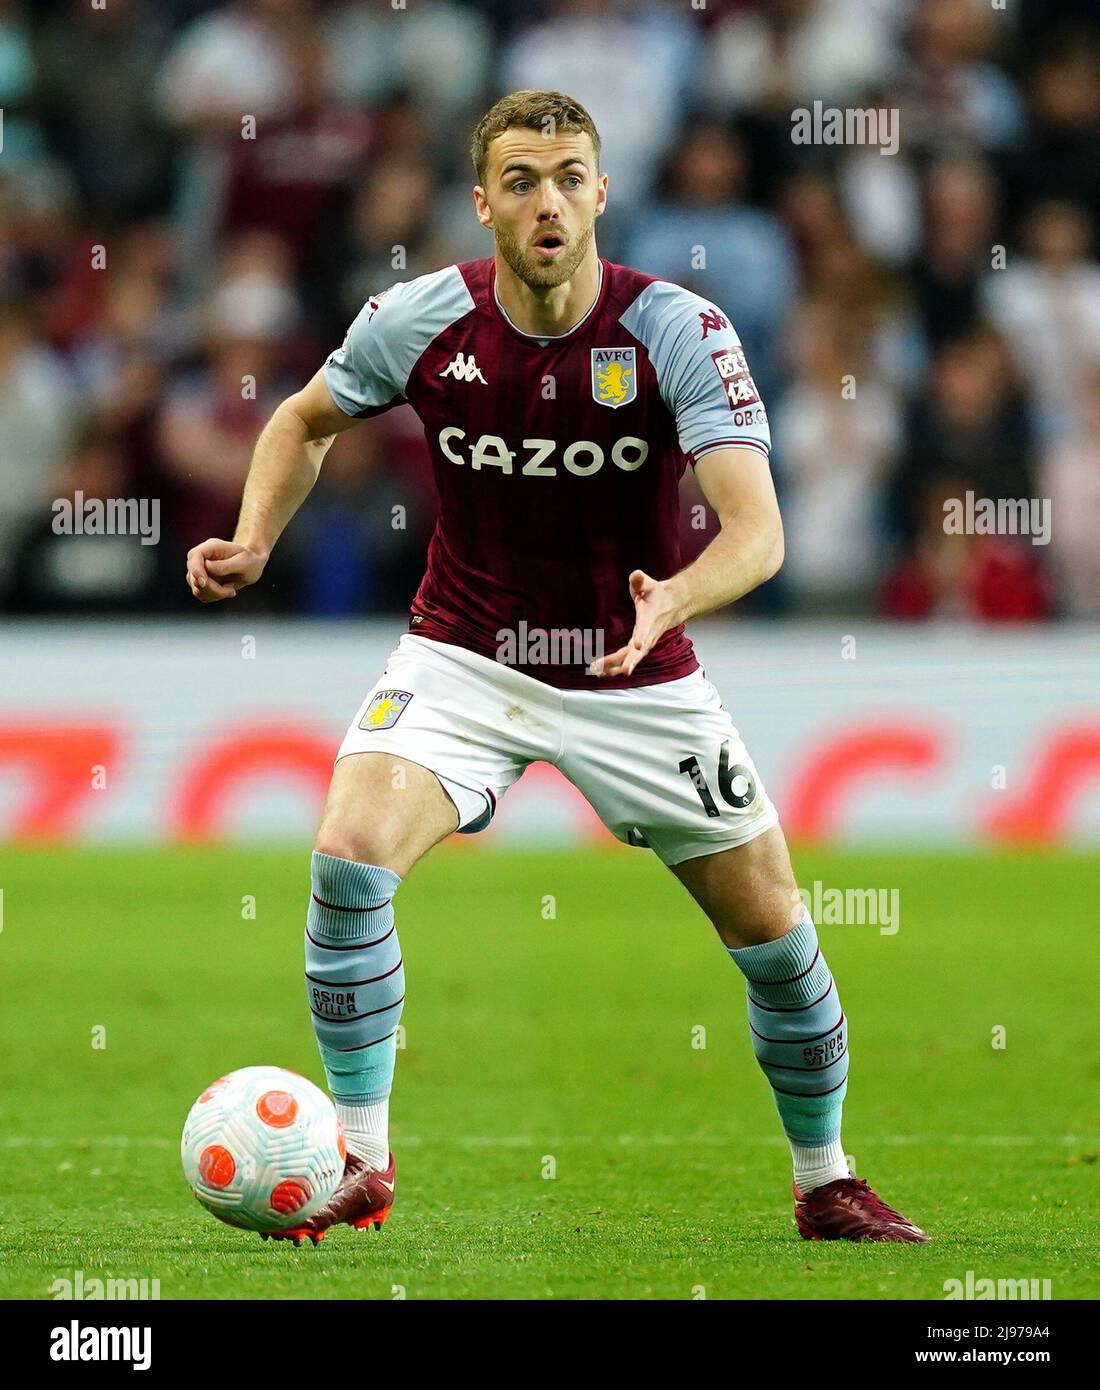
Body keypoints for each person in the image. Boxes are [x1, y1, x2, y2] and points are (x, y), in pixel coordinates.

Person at [186, 90, 927, 1246]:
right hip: (461, 657)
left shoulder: (677, 329)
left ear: (600, 193)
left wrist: (671, 597)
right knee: (345, 859)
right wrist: (254, 535)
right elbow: (300, 419)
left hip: (638, 669)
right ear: (481, 201)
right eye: (522, 180)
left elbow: (757, 534)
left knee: (777, 936)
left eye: (570, 176)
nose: (548, 201)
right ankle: (363, 1157)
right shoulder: (420, 318)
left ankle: (825, 1178)